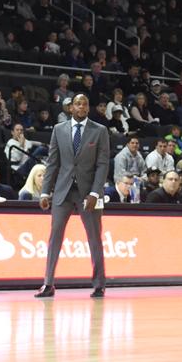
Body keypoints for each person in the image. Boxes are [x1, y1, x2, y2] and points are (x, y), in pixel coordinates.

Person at [35, 94, 111, 298]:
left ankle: (99, 284)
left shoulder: (100, 130)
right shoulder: (59, 130)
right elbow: (53, 163)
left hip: (89, 193)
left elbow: (103, 164)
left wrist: (96, 192)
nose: (82, 106)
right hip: (63, 191)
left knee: (94, 238)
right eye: (78, 104)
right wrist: (45, 191)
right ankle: (48, 283)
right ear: (71, 108)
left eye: (85, 103)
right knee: (55, 237)